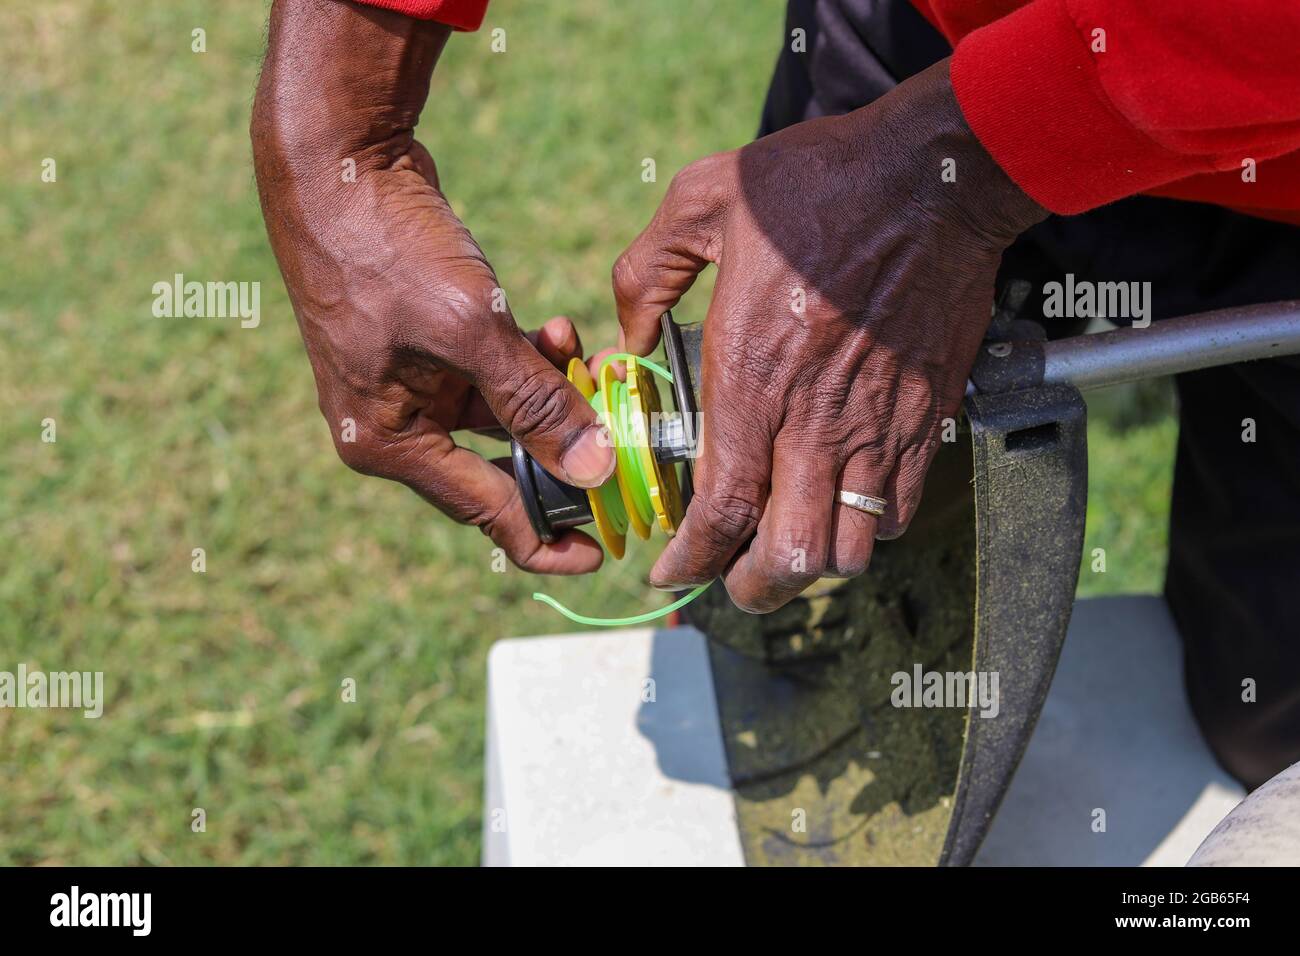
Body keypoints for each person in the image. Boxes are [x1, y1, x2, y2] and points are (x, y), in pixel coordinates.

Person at [251, 0, 1300, 788]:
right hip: (942, 41)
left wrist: (960, 159)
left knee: (1265, 723)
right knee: (802, 632)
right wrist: (337, 139)